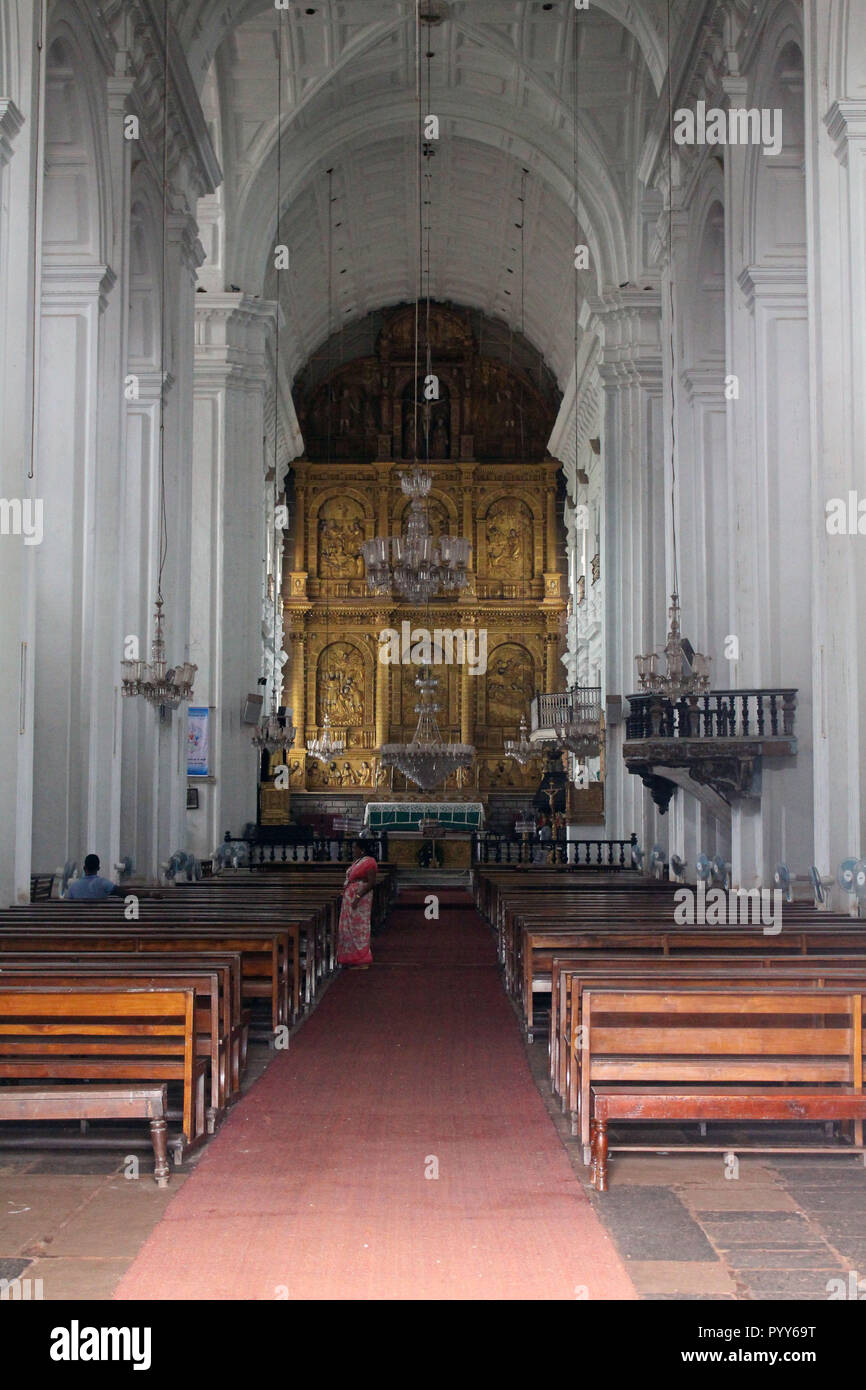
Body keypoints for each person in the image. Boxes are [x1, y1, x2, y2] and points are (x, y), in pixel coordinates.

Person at [337, 838, 378, 968]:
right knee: (349, 928)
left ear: (362, 850)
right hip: (351, 898)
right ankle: (351, 957)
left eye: (355, 848)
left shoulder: (370, 862)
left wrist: (358, 897)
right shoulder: (357, 861)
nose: (353, 850)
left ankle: (362, 959)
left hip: (360, 899)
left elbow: (371, 883)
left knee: (359, 928)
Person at [66, 854, 161, 901]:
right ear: (98, 868)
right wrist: (149, 894)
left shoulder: (73, 886)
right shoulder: (103, 883)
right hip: (100, 923)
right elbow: (126, 894)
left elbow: (68, 907)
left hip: (81, 923)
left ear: (84, 868)